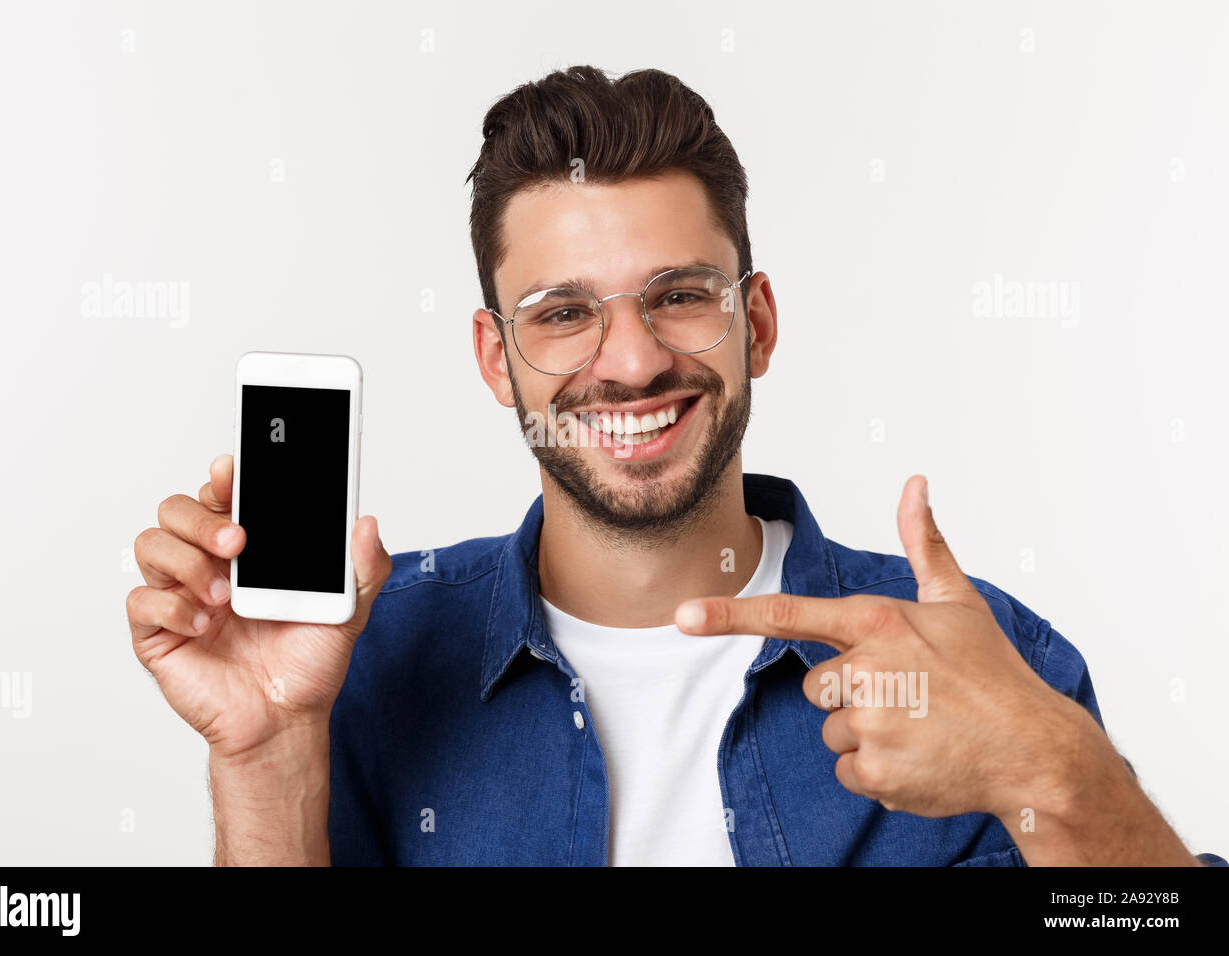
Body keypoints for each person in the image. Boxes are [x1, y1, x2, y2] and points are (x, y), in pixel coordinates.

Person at [126, 65, 1223, 866]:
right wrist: (266, 748)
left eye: (680, 295)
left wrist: (1055, 772)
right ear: (494, 360)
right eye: (564, 314)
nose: (635, 360)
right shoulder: (366, 656)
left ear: (757, 320)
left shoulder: (976, 662)